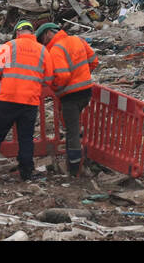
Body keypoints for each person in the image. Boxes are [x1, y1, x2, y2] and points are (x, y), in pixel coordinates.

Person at [0, 20, 51, 182]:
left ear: (17, 33)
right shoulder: (42, 50)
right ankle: (27, 172)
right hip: (30, 100)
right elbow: (49, 78)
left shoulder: (9, 46)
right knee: (26, 138)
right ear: (32, 33)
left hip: (8, 98)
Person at [35, 22, 99, 177]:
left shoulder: (56, 49)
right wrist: (82, 75)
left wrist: (55, 88)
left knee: (72, 132)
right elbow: (94, 61)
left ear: (48, 33)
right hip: (86, 92)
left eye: (42, 39)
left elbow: (63, 76)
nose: (43, 43)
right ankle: (80, 162)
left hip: (70, 96)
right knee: (76, 128)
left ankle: (74, 168)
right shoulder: (77, 40)